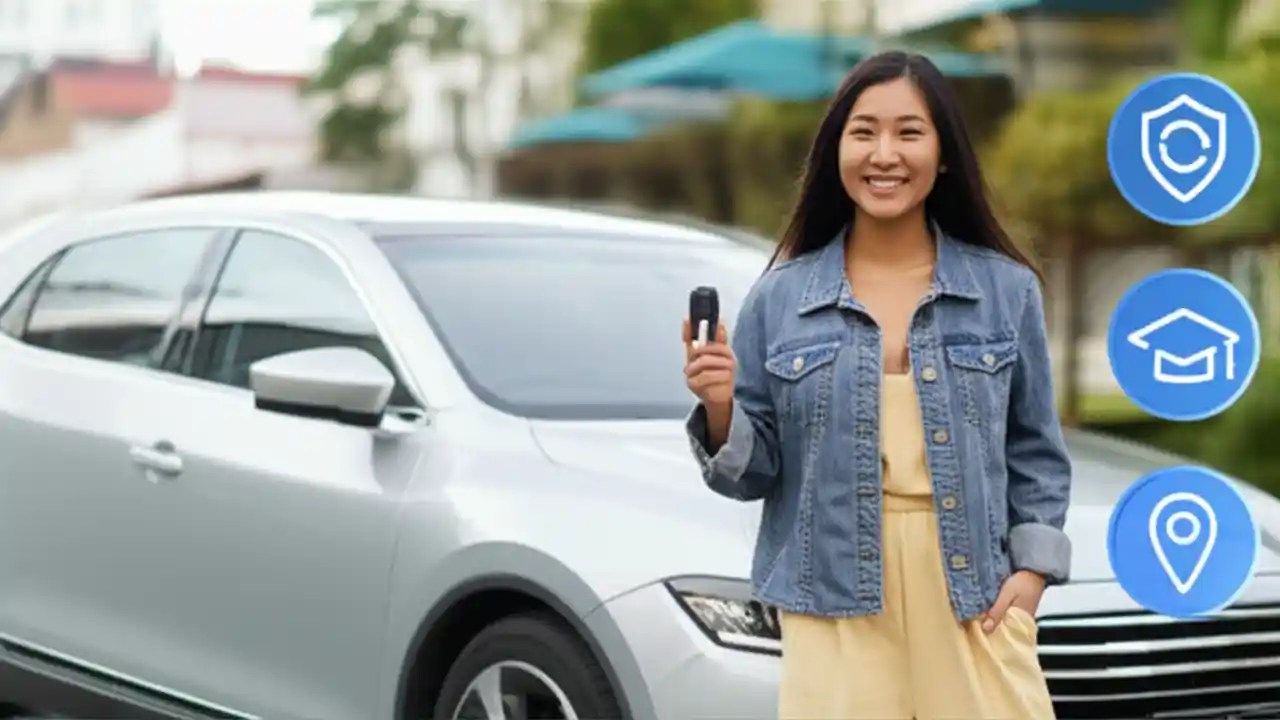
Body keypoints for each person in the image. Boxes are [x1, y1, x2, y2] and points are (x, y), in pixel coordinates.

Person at [681, 50, 1071, 720]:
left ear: (943, 154)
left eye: (908, 132)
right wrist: (719, 406)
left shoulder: (1005, 292)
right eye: (863, 132)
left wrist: (1030, 576)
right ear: (837, 150)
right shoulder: (781, 298)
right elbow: (752, 472)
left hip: (972, 591)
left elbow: (1034, 451)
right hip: (830, 597)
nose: (884, 153)